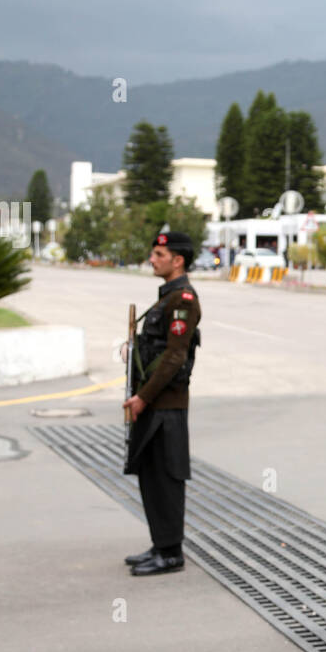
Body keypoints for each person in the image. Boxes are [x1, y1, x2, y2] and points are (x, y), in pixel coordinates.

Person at [122, 230, 202, 576]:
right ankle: (160, 543)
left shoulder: (182, 299)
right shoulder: (166, 298)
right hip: (155, 404)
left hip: (166, 405)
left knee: (167, 478)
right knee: (150, 476)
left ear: (177, 260)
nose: (152, 260)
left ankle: (171, 553)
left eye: (158, 254)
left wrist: (143, 397)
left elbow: (173, 357)